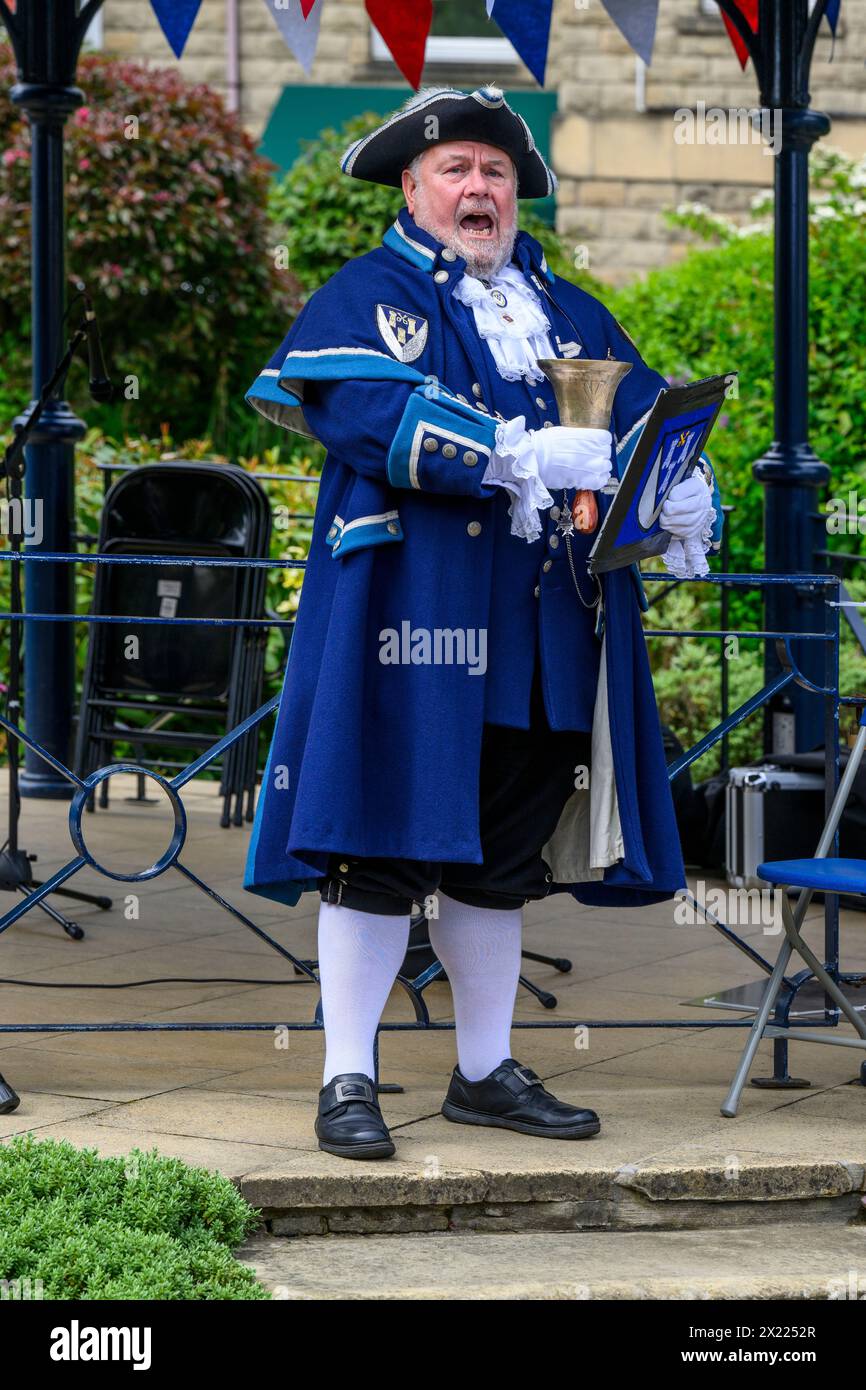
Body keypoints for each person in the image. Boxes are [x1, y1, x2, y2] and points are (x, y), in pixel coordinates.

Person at [243, 87, 723, 1160]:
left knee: (497, 860)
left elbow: (647, 424)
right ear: (412, 189)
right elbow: (366, 415)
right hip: (409, 629)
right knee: (375, 847)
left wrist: (682, 492)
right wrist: (511, 454)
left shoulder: (569, 310)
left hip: (546, 639)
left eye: (495, 173)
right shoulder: (367, 293)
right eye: (455, 169)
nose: (478, 188)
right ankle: (347, 1078)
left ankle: (480, 1069)